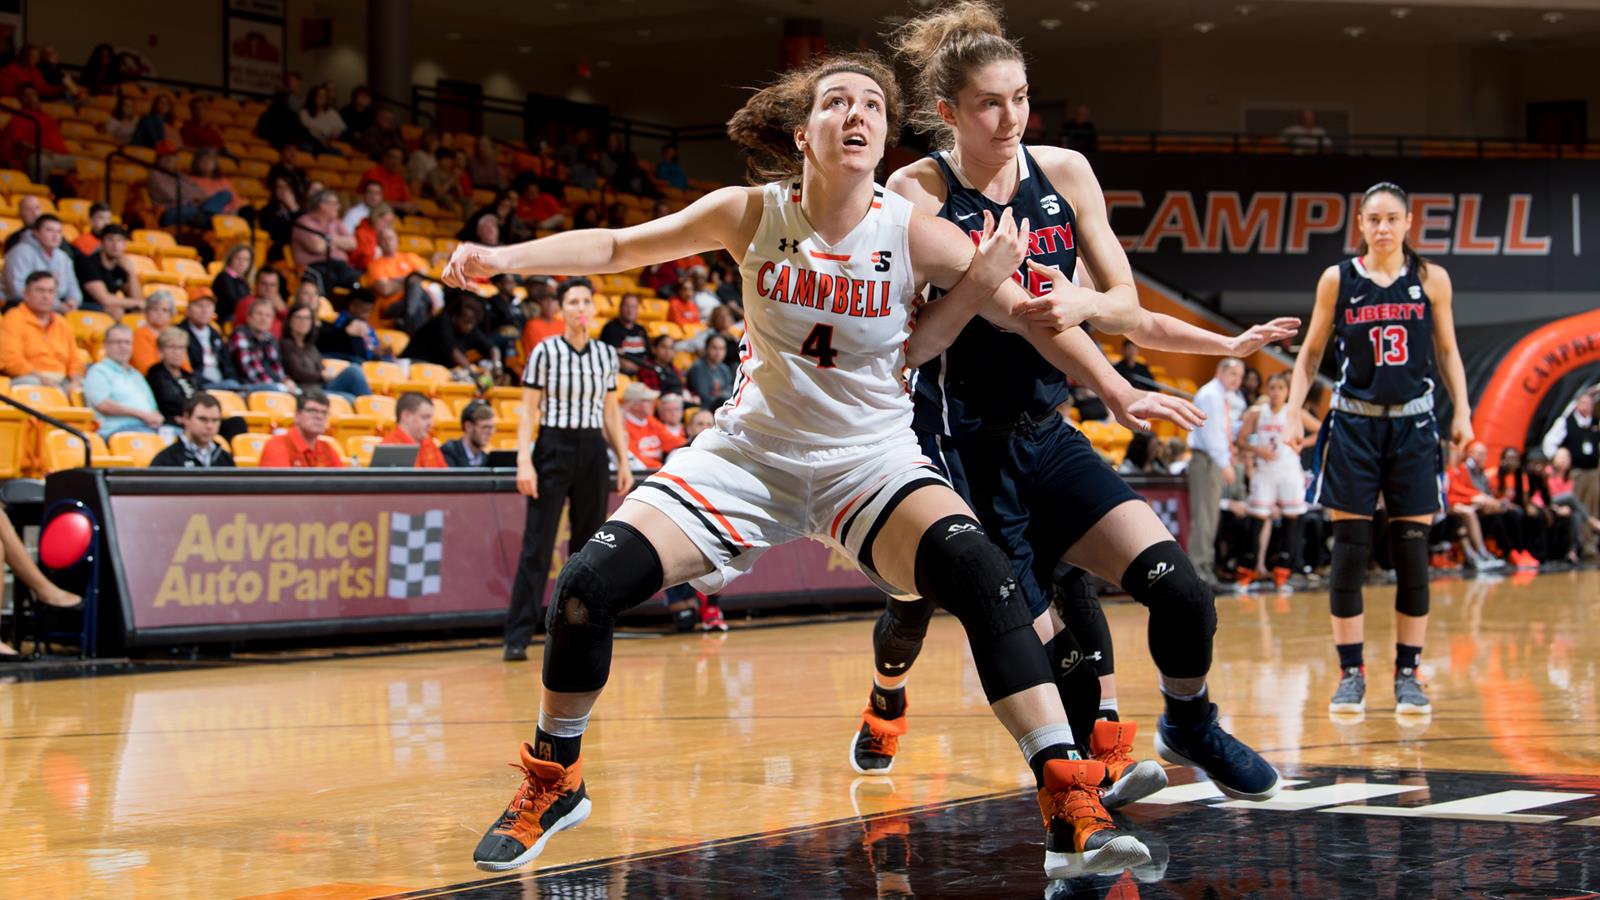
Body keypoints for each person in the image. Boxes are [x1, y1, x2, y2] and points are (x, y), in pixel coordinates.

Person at [443, 50, 1181, 878]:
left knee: (986, 575)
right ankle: (557, 777)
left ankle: (1064, 797)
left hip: (868, 462)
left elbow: (1035, 317)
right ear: (805, 131)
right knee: (583, 587)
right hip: (749, 456)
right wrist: (504, 260)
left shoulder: (912, 230)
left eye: (873, 104)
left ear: (885, 135)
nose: (858, 114)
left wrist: (1111, 378)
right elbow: (618, 244)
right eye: (838, 102)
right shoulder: (750, 211)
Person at [850, 4, 1288, 818]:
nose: (1011, 116)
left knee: (1182, 593)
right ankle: (894, 704)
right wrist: (1117, 386)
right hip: (957, 447)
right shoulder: (917, 190)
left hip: (1047, 435)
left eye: (1020, 96)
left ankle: (1186, 725)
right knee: (920, 614)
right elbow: (1028, 316)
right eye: (990, 102)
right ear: (948, 113)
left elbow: (1118, 300)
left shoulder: (1066, 172)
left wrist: (1220, 346)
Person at [1285, 181, 1474, 717]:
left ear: (1408, 223)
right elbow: (1311, 352)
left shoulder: (1431, 277)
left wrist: (1462, 412)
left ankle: (1409, 672)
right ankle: (1351, 672)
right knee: (1349, 551)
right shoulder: (1338, 279)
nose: (1384, 227)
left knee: (1413, 551)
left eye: (1393, 219)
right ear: (1362, 226)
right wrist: (1290, 412)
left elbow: (1447, 350)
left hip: (1414, 427)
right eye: (1374, 219)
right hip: (1354, 426)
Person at [497, 277, 630, 663]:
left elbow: (610, 413)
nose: (580, 307)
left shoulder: (607, 354)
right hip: (552, 447)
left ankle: (577, 631)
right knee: (537, 546)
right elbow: (529, 412)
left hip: (592, 448)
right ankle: (518, 634)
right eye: (572, 301)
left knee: (587, 549)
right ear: (561, 308)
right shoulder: (544, 352)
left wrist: (622, 459)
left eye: (586, 300)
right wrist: (524, 460)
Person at [1233, 373, 1311, 589]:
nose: (1276, 392)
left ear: (1287, 392)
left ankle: (1282, 574)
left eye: (1280, 388)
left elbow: (1322, 428)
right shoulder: (1257, 413)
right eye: (1272, 387)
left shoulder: (1294, 413)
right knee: (1256, 521)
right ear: (1267, 390)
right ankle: (1246, 573)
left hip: (1289, 471)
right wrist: (1258, 450)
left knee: (1291, 521)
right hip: (1265, 471)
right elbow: (1239, 440)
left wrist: (1302, 443)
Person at [1188, 359, 1243, 583]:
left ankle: (1205, 568)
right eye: (1232, 374)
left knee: (1210, 518)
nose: (1236, 379)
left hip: (1212, 460)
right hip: (1207, 461)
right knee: (1204, 517)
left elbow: (1223, 429)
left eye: (1240, 375)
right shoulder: (1211, 395)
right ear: (1219, 372)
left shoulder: (1223, 397)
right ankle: (1199, 570)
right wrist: (1224, 463)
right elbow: (1212, 435)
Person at [1541, 386, 1600, 559]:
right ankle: (1579, 545)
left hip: (1593, 473)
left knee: (1592, 508)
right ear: (1576, 405)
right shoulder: (1565, 422)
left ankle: (1591, 546)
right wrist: (1559, 460)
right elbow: (1549, 443)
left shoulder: (1595, 423)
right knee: (1576, 507)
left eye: (1588, 404)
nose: (1586, 407)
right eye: (1582, 403)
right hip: (1573, 473)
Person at [0, 272, 83, 391]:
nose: (46, 296)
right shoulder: (13, 318)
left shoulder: (62, 323)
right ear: (26, 294)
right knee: (31, 384)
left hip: (63, 379)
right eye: (40, 290)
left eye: (51, 291)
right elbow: (10, 360)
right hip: (30, 378)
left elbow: (75, 360)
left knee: (88, 388)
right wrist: (43, 380)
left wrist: (75, 381)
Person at [84, 324, 165, 436]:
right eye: (117, 342)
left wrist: (156, 417)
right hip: (118, 430)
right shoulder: (98, 371)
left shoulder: (136, 374)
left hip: (148, 427)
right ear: (106, 345)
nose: (123, 346)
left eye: (127, 342)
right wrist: (142, 415)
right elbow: (103, 405)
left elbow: (152, 407)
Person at [280, 303, 372, 398]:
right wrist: (321, 376)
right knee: (351, 390)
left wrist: (325, 374)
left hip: (321, 387)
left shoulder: (311, 347)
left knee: (354, 371)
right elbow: (295, 372)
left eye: (307, 318)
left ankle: (369, 405)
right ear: (290, 321)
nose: (303, 322)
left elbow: (322, 369)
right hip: (305, 390)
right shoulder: (286, 344)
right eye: (298, 317)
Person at [405, 294, 500, 372]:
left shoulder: (472, 329)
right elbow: (453, 352)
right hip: (415, 363)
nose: (469, 327)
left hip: (439, 370)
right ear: (455, 316)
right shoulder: (442, 322)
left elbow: (492, 348)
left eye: (472, 323)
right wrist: (472, 372)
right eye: (466, 322)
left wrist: (497, 365)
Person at [149, 142, 232, 228]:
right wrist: (194, 199)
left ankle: (205, 216)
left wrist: (196, 199)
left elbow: (200, 193)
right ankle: (207, 217)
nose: (170, 160)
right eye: (166, 157)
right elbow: (172, 196)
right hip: (173, 210)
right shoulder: (156, 175)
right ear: (158, 159)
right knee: (192, 211)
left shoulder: (180, 175)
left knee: (225, 194)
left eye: (172, 156)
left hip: (195, 208)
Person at [5, 215, 81, 306]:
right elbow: (17, 290)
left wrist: (73, 301)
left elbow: (72, 284)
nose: (55, 236)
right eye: (49, 230)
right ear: (36, 232)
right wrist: (57, 306)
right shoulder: (20, 252)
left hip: (55, 306)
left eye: (59, 232)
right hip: (20, 304)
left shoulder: (63, 256)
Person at [258, 389, 345, 467]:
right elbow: (280, 484)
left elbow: (345, 483)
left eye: (324, 412)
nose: (319, 416)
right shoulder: (277, 445)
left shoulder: (327, 449)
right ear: (297, 415)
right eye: (312, 411)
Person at [293, 190, 361, 290]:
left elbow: (353, 244)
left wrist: (330, 239)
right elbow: (317, 247)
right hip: (314, 266)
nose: (339, 207)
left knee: (356, 279)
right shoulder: (305, 222)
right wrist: (339, 242)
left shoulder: (336, 222)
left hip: (340, 265)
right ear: (322, 205)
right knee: (328, 278)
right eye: (334, 204)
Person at [150, 392, 236, 468]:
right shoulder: (166, 460)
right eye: (202, 419)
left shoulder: (225, 458)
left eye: (215, 420)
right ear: (186, 418)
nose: (209, 426)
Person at [74, 224, 143, 318]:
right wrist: (138, 303)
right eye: (110, 239)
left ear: (125, 245)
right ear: (101, 243)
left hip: (106, 306)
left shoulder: (121, 266)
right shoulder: (88, 263)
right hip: (82, 305)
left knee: (140, 310)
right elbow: (104, 299)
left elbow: (136, 298)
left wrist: (131, 273)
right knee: (116, 310)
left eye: (120, 240)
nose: (115, 245)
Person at [230, 298, 297, 393]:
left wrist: (286, 381)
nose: (263, 318)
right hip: (246, 387)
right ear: (249, 317)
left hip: (271, 386)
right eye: (259, 314)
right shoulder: (240, 335)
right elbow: (251, 369)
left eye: (268, 315)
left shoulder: (270, 339)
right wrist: (278, 387)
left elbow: (276, 366)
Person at [183, 291, 245, 389]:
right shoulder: (181, 333)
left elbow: (227, 364)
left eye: (208, 306)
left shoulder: (215, 334)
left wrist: (233, 380)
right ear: (188, 309)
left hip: (224, 384)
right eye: (199, 305)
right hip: (199, 386)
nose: (204, 310)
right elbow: (186, 370)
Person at [620, 381, 684, 470]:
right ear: (635, 405)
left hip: (658, 471)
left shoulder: (650, 420)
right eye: (648, 401)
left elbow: (674, 442)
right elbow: (635, 458)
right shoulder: (622, 424)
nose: (653, 404)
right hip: (639, 473)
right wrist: (662, 469)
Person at [381, 391, 447, 468]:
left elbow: (446, 477)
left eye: (430, 418)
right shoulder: (390, 448)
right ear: (406, 416)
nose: (431, 424)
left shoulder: (429, 444)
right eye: (425, 417)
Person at [599, 292, 650, 374]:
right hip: (620, 375)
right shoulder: (611, 328)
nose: (630, 310)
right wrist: (639, 368)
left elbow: (647, 356)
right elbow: (614, 358)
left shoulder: (641, 330)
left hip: (643, 375)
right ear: (620, 308)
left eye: (634, 307)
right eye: (627, 306)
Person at [685, 333, 737, 411]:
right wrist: (724, 396)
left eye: (722, 348)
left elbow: (731, 389)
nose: (718, 352)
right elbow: (704, 396)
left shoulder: (724, 368)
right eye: (714, 348)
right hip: (704, 408)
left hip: (723, 406)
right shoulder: (698, 368)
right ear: (706, 349)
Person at [131, 289, 178, 374]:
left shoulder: (175, 337)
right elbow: (147, 369)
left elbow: (185, 368)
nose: (160, 313)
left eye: (165, 310)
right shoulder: (139, 335)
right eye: (155, 309)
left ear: (171, 315)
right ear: (146, 312)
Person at [442, 400, 497, 468]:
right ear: (468, 426)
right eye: (485, 427)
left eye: (492, 427)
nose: (490, 432)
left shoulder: (486, 459)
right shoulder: (449, 452)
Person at [210, 244, 255, 325]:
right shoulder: (223, 277)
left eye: (246, 260)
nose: (242, 262)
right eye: (238, 258)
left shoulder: (244, 282)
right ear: (230, 259)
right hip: (227, 319)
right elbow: (232, 303)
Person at [637, 334, 688, 399]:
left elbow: (682, 388)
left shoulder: (673, 368)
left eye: (671, 348)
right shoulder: (648, 368)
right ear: (653, 349)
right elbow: (653, 394)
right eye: (664, 347)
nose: (668, 351)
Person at [299, 83, 345, 147]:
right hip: (313, 143)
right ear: (313, 97)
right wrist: (327, 131)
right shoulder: (304, 112)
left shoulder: (331, 112)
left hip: (332, 142)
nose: (322, 98)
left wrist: (334, 132)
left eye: (324, 96)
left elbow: (341, 127)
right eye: (319, 96)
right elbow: (311, 129)